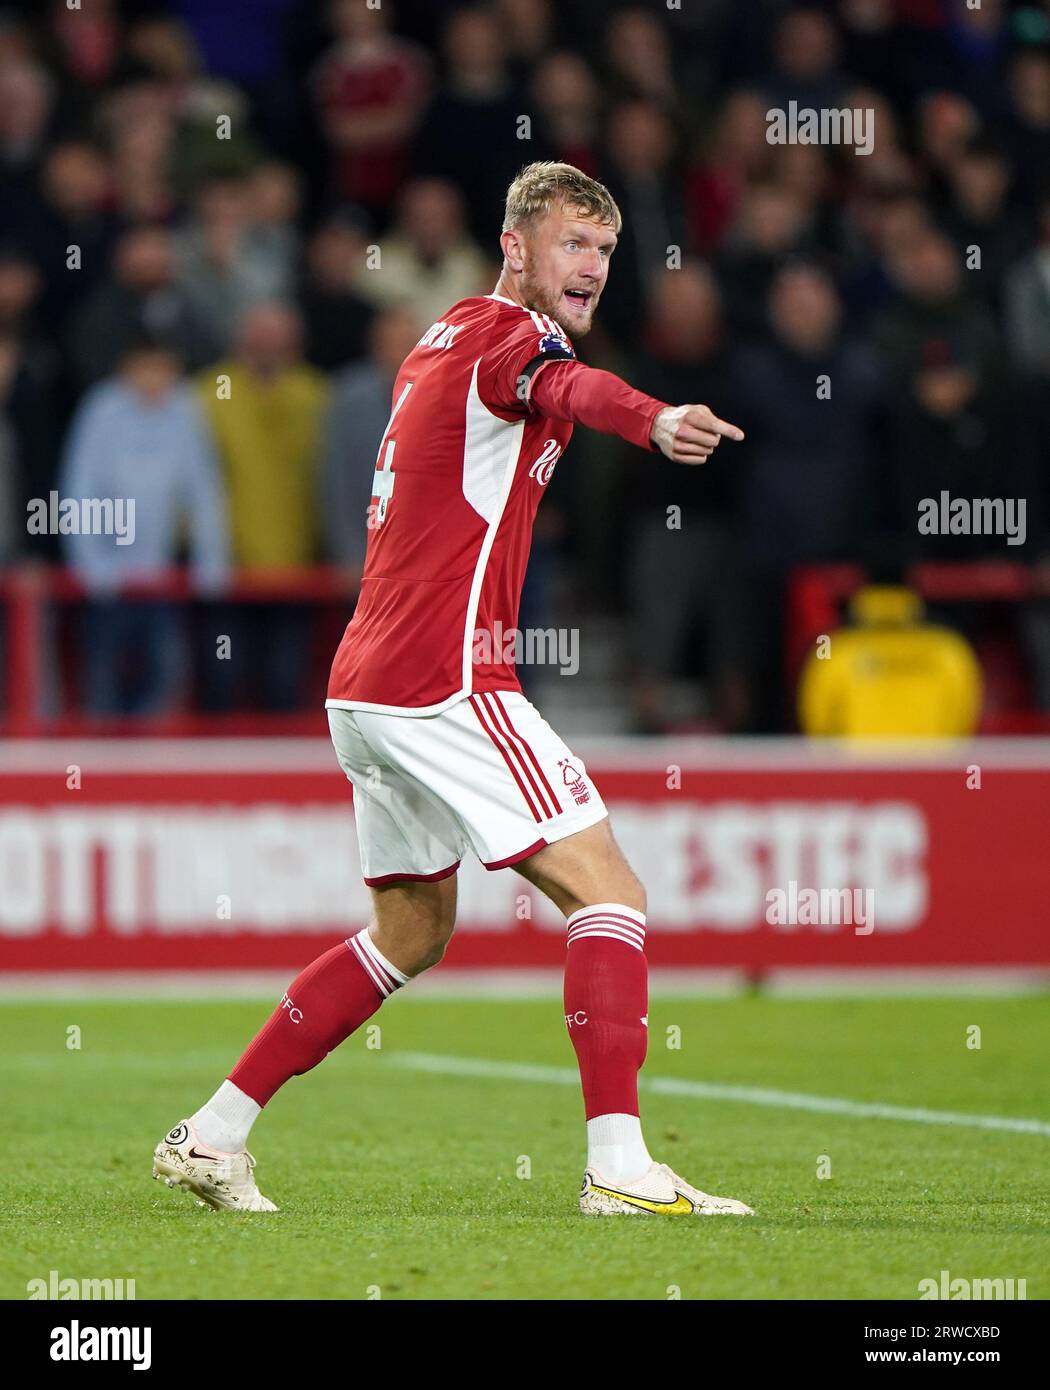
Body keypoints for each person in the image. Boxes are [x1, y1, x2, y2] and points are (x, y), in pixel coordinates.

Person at [153, 162, 752, 1218]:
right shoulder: (509, 339)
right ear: (515, 247)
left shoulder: (439, 341)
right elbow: (568, 387)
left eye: (605, 251)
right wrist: (654, 420)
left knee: (412, 931)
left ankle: (213, 1132)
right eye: (572, 244)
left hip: (368, 683)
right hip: (443, 676)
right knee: (610, 892)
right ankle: (618, 1167)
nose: (592, 268)